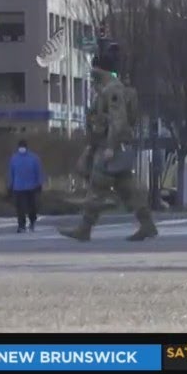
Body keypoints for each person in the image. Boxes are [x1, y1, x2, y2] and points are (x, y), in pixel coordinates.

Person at [60, 44, 157, 242]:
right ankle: (147, 224)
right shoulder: (112, 88)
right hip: (114, 147)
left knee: (97, 187)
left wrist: (110, 147)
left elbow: (117, 120)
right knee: (128, 189)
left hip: (110, 147)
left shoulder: (112, 91)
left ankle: (84, 228)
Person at [7, 140, 44, 233]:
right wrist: (39, 183)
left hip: (24, 186)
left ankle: (28, 223)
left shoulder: (16, 158)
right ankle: (23, 225)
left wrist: (10, 185)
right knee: (23, 208)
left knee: (28, 207)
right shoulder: (32, 158)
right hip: (25, 186)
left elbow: (11, 173)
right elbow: (11, 173)